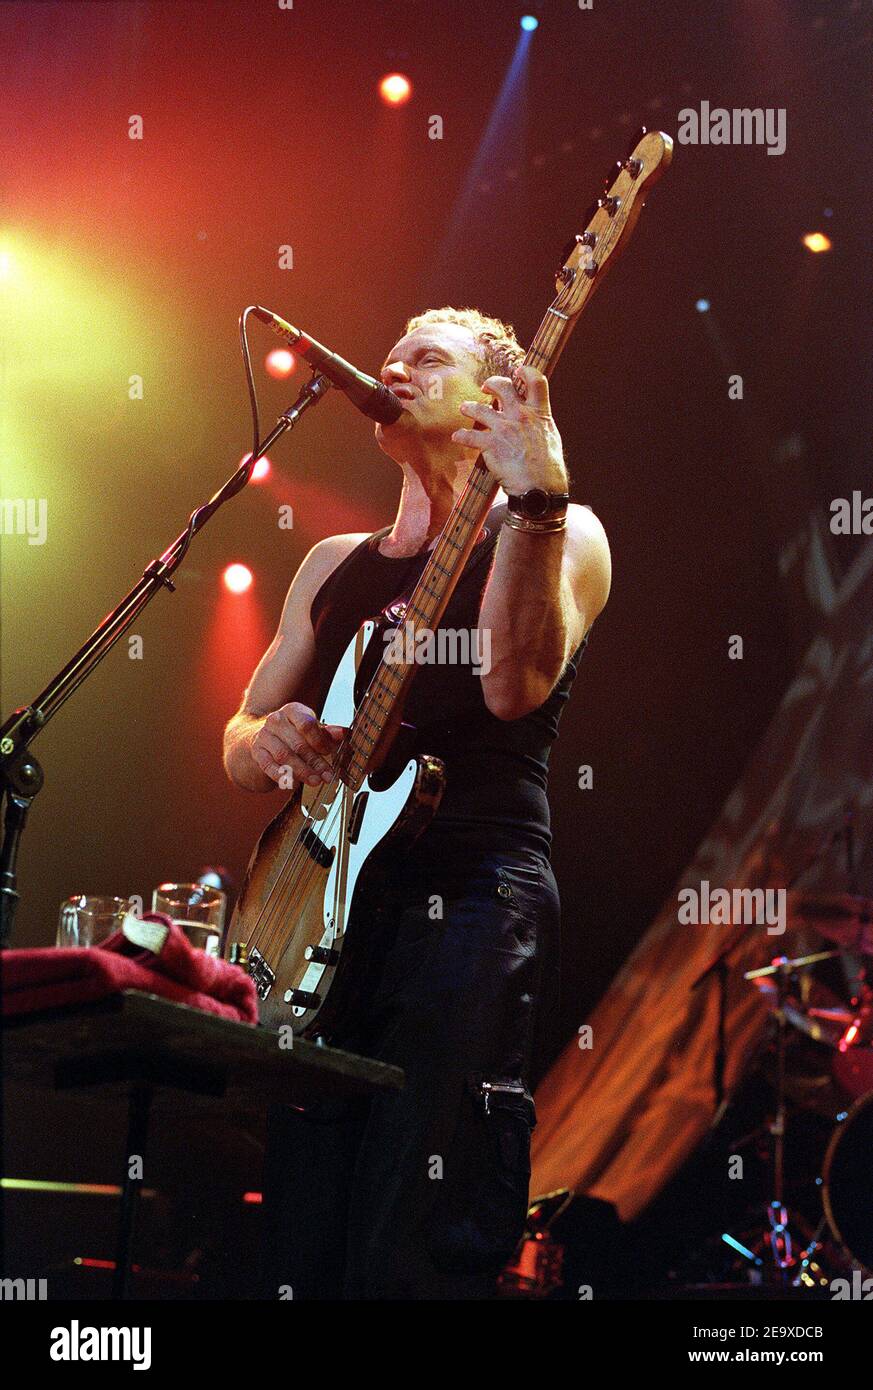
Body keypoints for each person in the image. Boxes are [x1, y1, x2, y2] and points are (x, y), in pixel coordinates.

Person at [222, 306, 611, 1299]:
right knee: (304, 1229)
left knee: (418, 1226)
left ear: (493, 403)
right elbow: (238, 736)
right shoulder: (329, 563)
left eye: (427, 356)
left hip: (472, 898)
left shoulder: (563, 529)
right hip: (328, 916)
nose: (393, 365)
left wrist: (536, 501)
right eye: (388, 352)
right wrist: (265, 740)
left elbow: (514, 685)